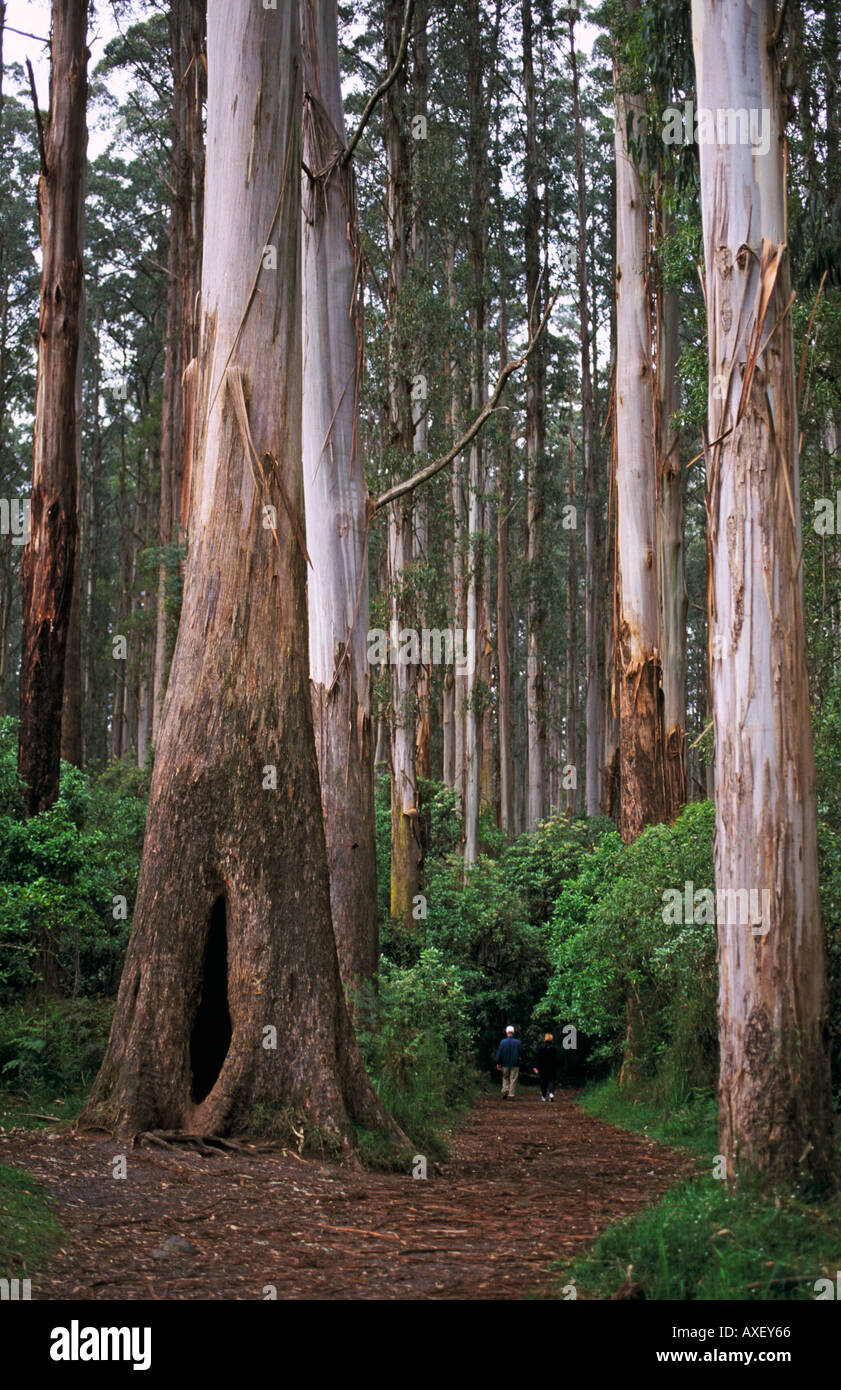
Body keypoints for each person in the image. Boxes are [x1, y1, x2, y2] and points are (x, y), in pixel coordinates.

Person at [496, 1025, 523, 1099]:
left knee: (505, 1077)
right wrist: (521, 1058)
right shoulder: (517, 1042)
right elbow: (521, 1052)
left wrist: (498, 1063)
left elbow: (499, 1053)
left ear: (507, 1032)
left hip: (504, 1063)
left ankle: (505, 1091)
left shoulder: (502, 1042)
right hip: (515, 1063)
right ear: (513, 1033)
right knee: (513, 1079)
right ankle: (511, 1094)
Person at [534, 1032, 559, 1101]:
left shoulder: (541, 1047)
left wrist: (536, 1067)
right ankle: (551, 1094)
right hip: (551, 1067)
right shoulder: (554, 1048)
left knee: (543, 1081)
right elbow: (556, 1058)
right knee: (551, 1080)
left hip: (542, 1067)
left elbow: (538, 1058)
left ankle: (544, 1096)